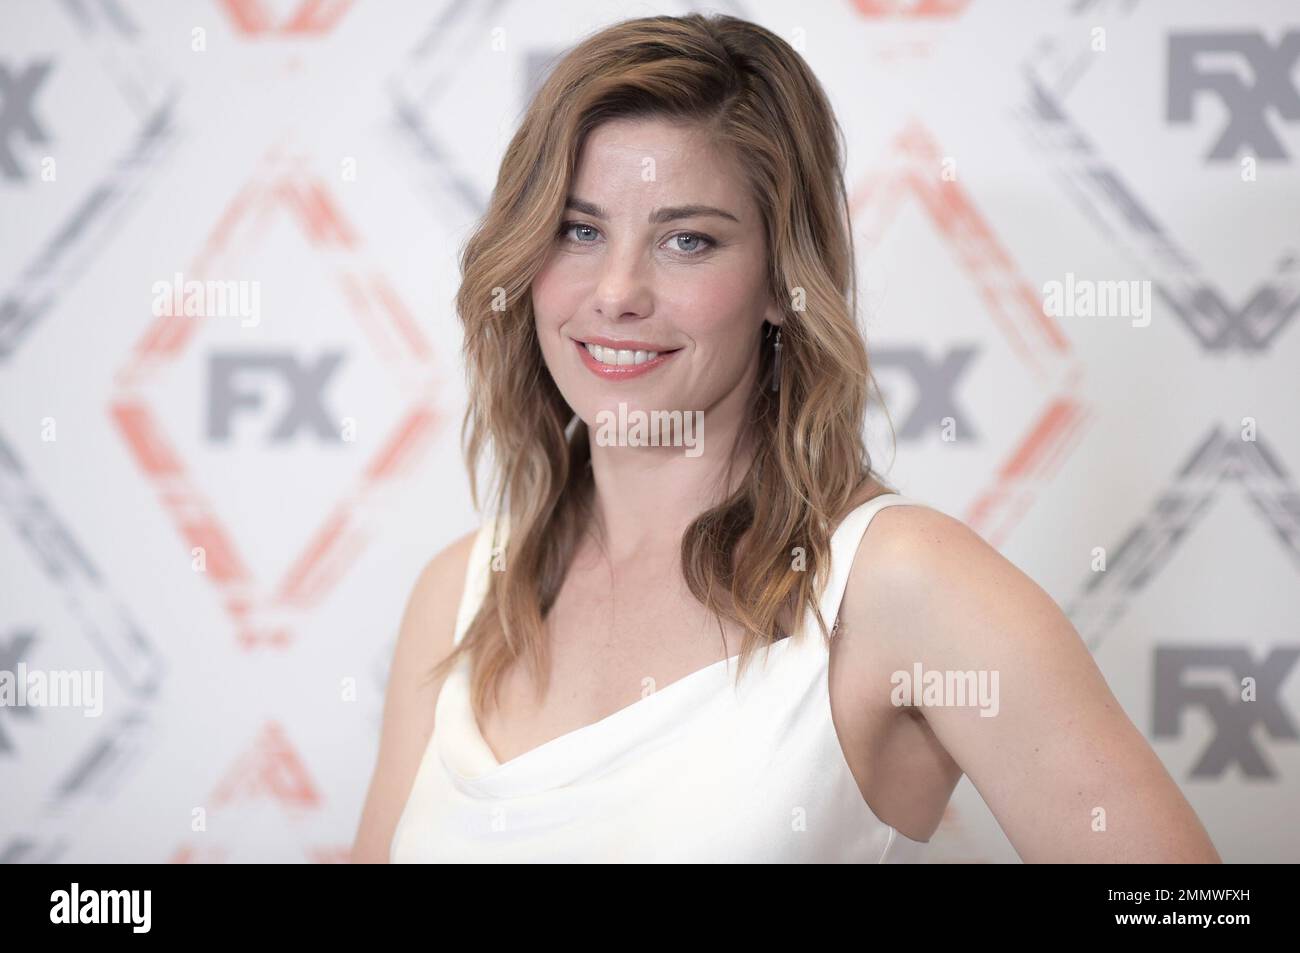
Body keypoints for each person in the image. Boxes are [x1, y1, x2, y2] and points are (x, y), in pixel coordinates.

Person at [352, 12, 1221, 863]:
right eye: (579, 231)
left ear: (782, 281)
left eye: (687, 240)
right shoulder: (462, 592)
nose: (617, 291)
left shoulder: (901, 583)